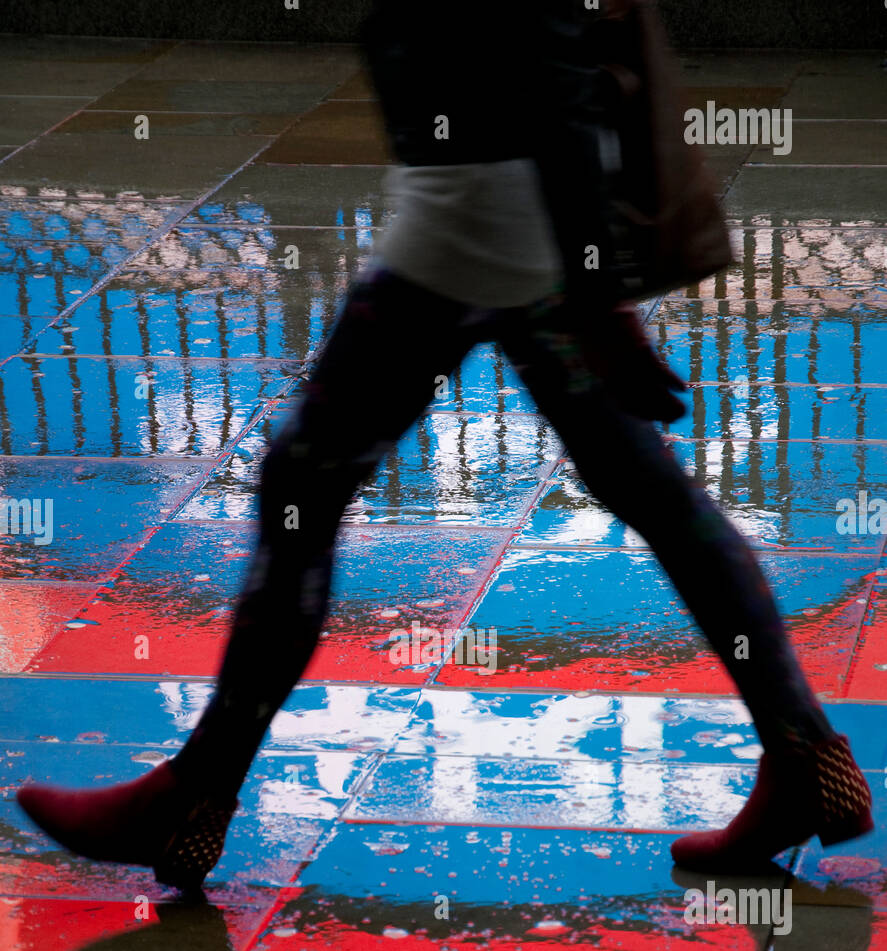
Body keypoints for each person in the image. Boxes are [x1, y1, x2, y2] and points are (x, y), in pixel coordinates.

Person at [16, 0, 872, 888]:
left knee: (302, 487)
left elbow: (553, 57)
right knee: (641, 486)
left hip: (479, 218)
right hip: (493, 208)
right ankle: (802, 756)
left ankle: (191, 799)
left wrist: (595, 291)